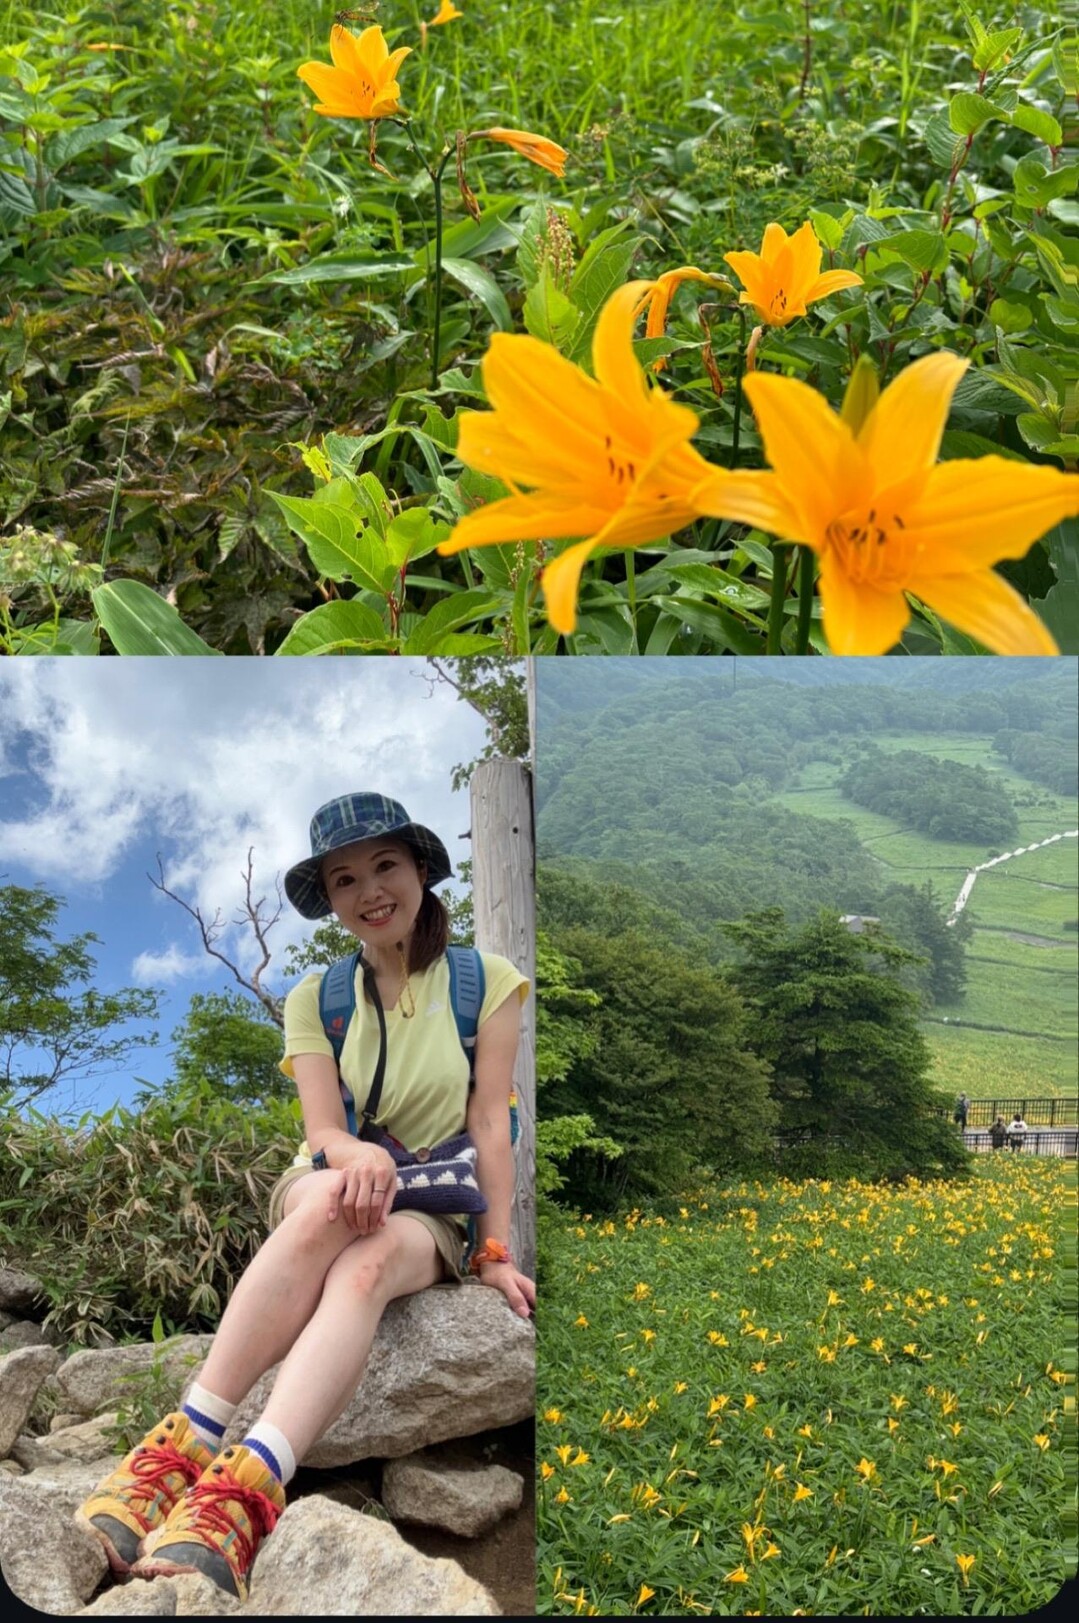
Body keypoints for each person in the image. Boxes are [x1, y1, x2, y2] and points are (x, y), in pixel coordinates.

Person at [75, 792, 533, 1601]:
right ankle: (181, 1446)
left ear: (421, 868)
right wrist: (356, 1158)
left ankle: (245, 1489)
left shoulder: (483, 983)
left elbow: (489, 1125)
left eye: (385, 865)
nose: (369, 890)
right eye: (345, 877)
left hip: (428, 1201)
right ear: (331, 899)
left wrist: (494, 1254)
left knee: (364, 1272)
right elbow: (322, 1128)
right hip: (326, 1182)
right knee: (330, 1204)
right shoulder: (315, 998)